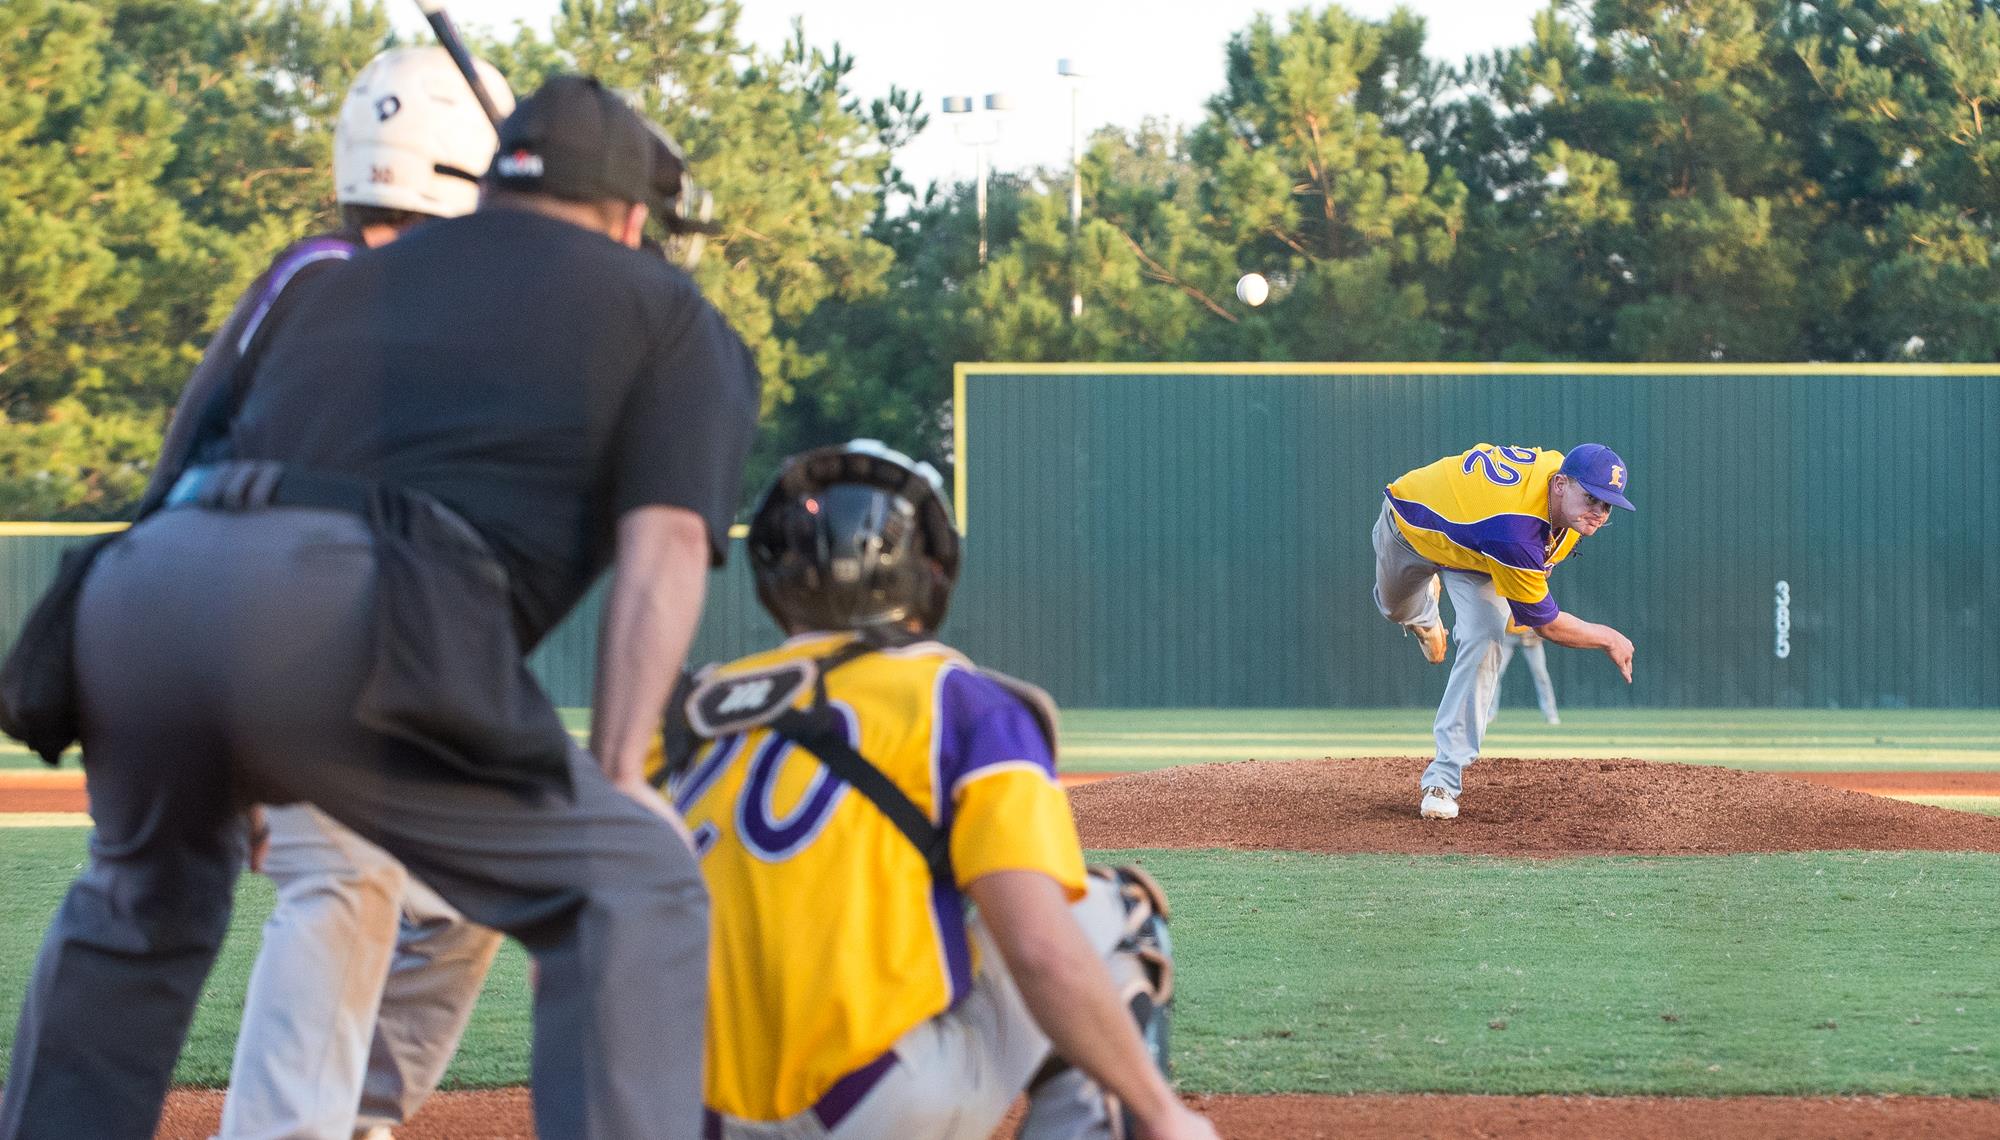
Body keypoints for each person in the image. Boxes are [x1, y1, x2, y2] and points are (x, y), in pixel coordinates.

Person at [0, 74, 759, 1140]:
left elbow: (202, 449)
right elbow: (667, 543)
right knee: (626, 881)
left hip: (142, 588)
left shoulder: (337, 276)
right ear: (632, 218)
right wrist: (622, 770)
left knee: (140, 906)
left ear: (493, 188)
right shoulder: (664, 308)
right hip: (349, 605)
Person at [154, 47, 517, 1140]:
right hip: (258, 633)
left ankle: (349, 1119)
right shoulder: (337, 287)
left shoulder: (372, 292)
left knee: (465, 887)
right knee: (344, 878)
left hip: (294, 632)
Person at [656, 440, 1221, 1140]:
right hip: (866, 1111)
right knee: (1117, 912)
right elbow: (1039, 950)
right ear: (929, 572)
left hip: (673, 1114)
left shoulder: (679, 712)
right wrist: (1165, 1116)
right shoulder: (958, 698)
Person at [1372, 443, 1634, 820]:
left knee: (1486, 638)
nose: (1599, 512)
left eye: (1608, 505)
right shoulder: (1516, 528)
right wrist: (1609, 637)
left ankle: (1443, 777)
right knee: (1394, 608)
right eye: (1592, 497)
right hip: (1412, 526)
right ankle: (1424, 613)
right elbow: (1546, 624)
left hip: (1479, 553)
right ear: (1560, 484)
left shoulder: (1564, 507)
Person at [1486, 622, 1560, 726]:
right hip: (1506, 633)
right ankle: (1490, 714)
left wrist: (1542, 629)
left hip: (1529, 633)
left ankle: (1551, 714)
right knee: (1495, 674)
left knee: (1541, 675)